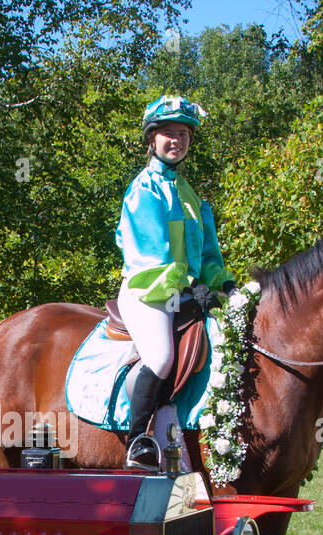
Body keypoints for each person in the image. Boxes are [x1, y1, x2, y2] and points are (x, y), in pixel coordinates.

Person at [115, 94, 248, 461]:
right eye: (168, 133)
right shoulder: (143, 190)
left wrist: (223, 284)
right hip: (149, 292)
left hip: (183, 292)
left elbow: (206, 254)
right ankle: (137, 442)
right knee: (159, 357)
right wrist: (190, 288)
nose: (176, 141)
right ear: (151, 139)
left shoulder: (190, 194)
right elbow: (151, 257)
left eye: (184, 135)